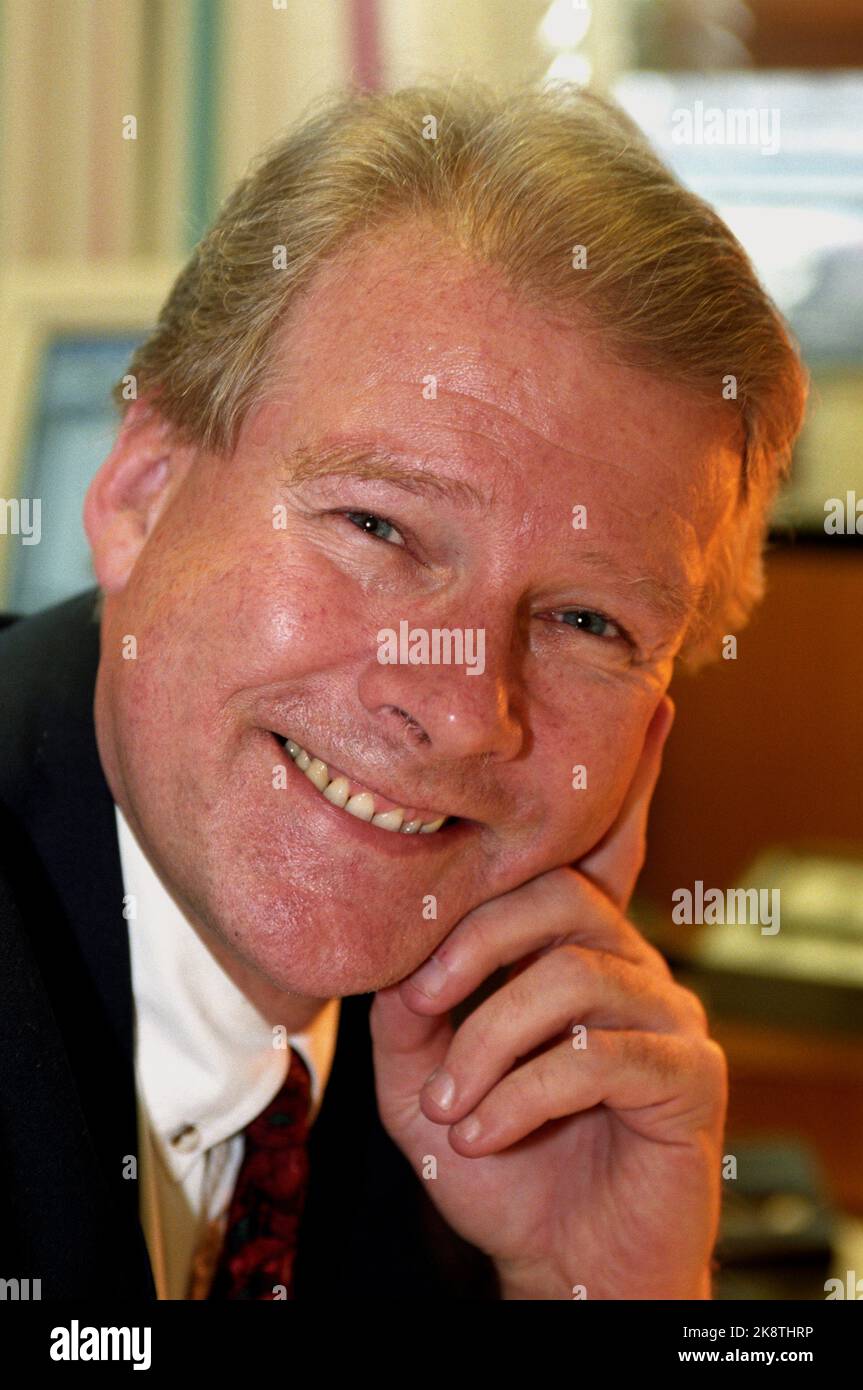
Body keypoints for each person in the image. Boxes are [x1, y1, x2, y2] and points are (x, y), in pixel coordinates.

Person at [0, 80, 807, 1300]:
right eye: (378, 526)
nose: (457, 705)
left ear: (651, 730)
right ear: (141, 493)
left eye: (588, 621)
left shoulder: (496, 1095)